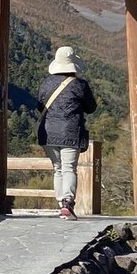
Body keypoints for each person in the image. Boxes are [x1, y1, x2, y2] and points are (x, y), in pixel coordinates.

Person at [36, 45, 98, 220]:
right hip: (71, 131)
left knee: (58, 169)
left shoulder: (46, 83)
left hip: (48, 132)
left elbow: (39, 106)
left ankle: (61, 204)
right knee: (69, 168)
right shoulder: (80, 85)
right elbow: (91, 107)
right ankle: (67, 202)